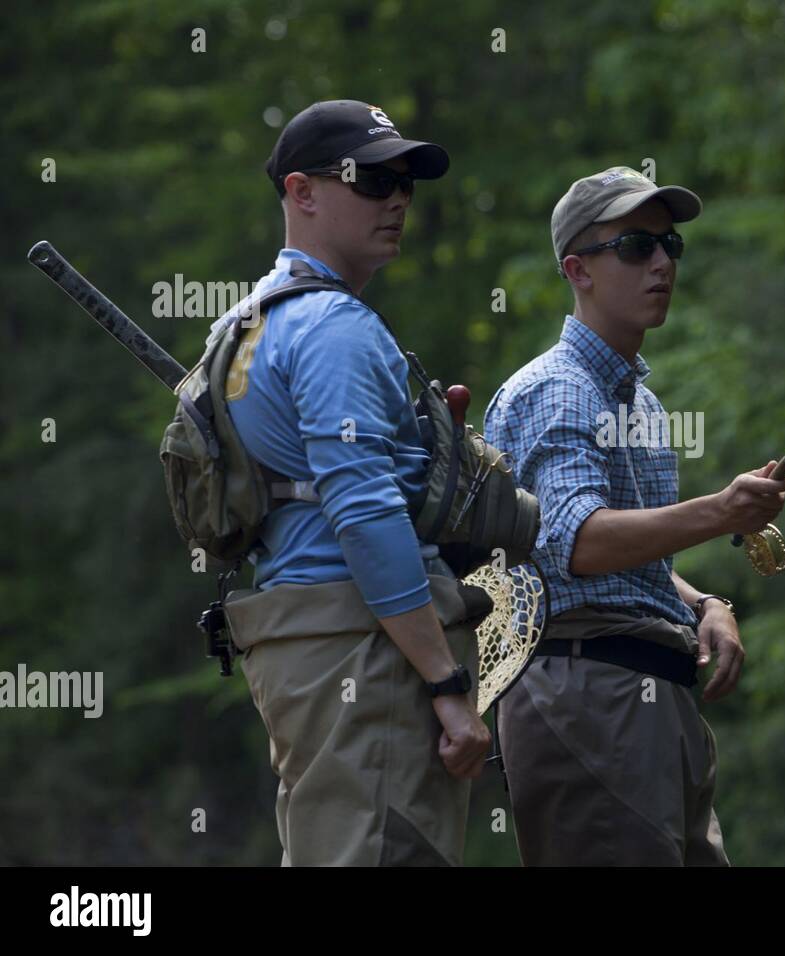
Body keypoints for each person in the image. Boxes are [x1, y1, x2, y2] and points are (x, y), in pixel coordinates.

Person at [484, 166, 785, 865]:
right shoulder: (557, 391)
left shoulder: (643, 408)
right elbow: (581, 543)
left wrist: (704, 604)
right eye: (634, 247)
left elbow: (625, 559)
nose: (661, 262)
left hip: (646, 696)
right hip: (587, 691)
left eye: (668, 246)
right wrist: (721, 511)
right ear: (577, 270)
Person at [216, 100, 491, 866]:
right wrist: (444, 679)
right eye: (372, 179)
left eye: (405, 180)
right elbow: (364, 512)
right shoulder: (333, 327)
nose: (398, 197)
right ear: (302, 192)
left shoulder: (241, 327)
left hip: (302, 644)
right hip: (364, 654)